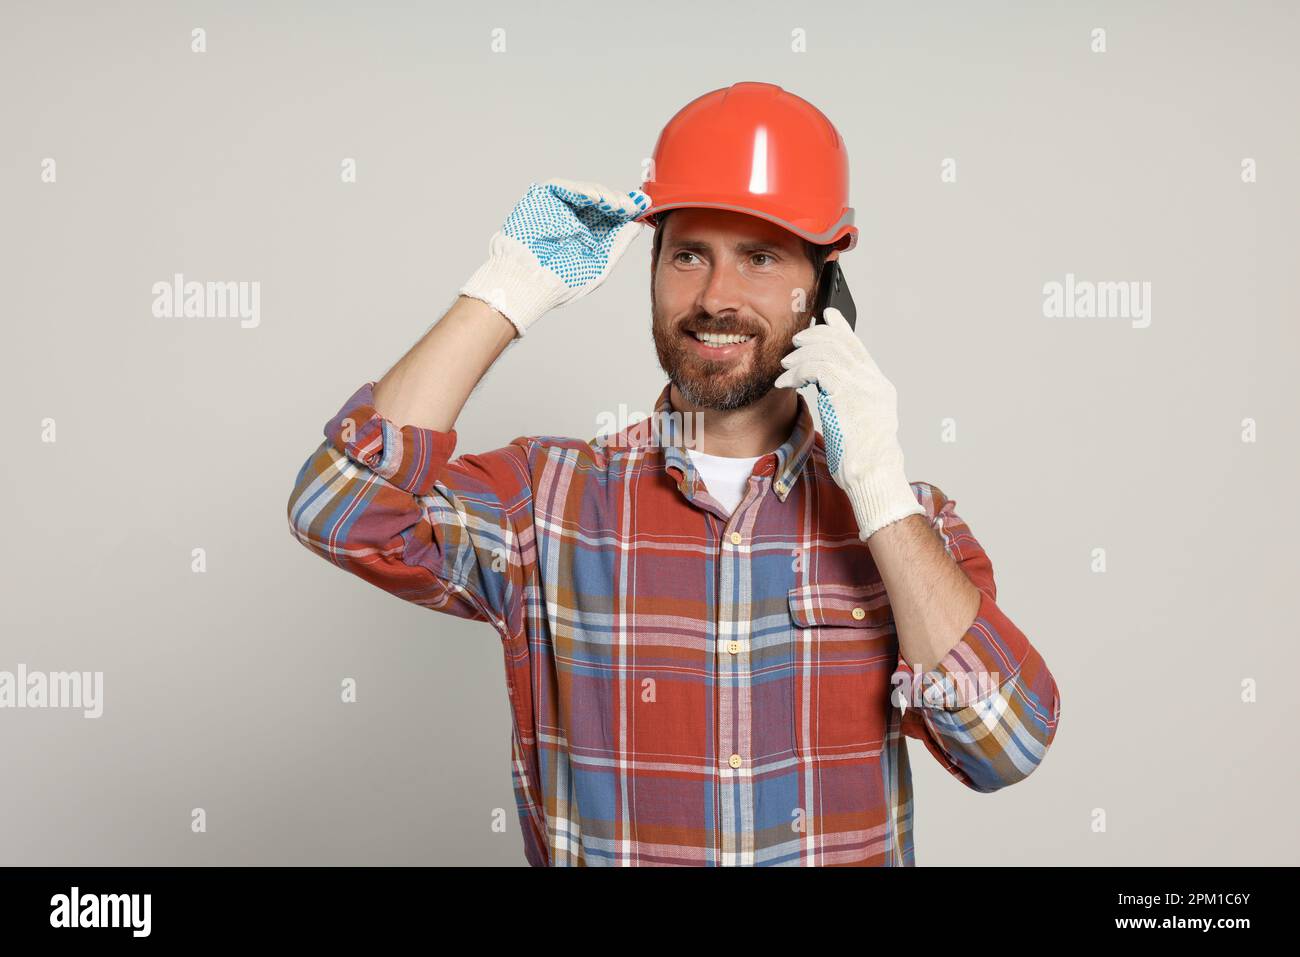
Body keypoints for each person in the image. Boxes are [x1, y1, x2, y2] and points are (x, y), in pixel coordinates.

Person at [286, 82, 1061, 866]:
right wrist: (503, 296)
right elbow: (337, 506)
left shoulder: (906, 522)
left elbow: (1008, 744)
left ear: (823, 289)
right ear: (651, 267)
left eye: (760, 258)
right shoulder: (544, 501)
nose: (716, 297)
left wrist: (880, 492)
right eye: (689, 255)